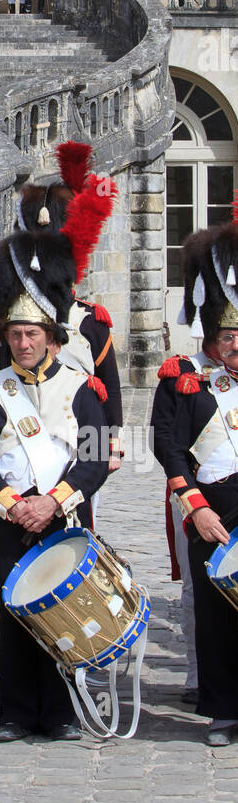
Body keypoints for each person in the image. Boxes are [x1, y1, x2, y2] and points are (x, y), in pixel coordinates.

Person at [0, 204, 112, 742]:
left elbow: (94, 458)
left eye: (31, 334)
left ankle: (61, 712)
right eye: (14, 334)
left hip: (63, 510)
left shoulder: (83, 389)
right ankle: (15, 713)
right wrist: (14, 504)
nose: (22, 344)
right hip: (6, 516)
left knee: (62, 610)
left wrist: (53, 501)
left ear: (51, 335)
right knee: (14, 613)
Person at [150, 215, 238, 744]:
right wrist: (195, 505)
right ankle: (224, 709)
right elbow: (169, 447)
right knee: (216, 611)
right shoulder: (182, 376)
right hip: (211, 504)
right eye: (228, 334)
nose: (235, 344)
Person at [0, 142, 123, 476]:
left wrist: (108, 448)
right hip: (21, 442)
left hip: (77, 442)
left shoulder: (91, 321)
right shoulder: (13, 318)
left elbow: (107, 388)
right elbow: (0, 381)